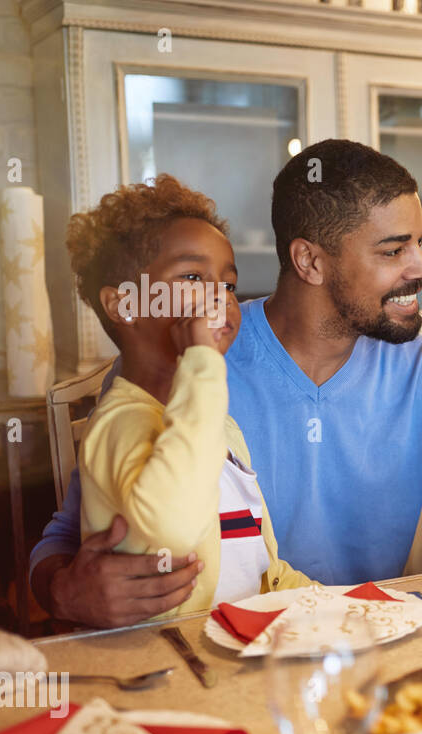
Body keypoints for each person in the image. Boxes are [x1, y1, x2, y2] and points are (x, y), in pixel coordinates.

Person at [31, 140, 422, 629]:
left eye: (419, 243)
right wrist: (64, 590)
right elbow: (65, 536)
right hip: (215, 657)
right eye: (392, 250)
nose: (421, 267)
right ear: (309, 260)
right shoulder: (183, 364)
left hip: (372, 645)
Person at [67, 176, 312, 617]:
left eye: (230, 284)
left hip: (243, 651)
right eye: (194, 277)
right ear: (124, 305)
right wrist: (202, 362)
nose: (220, 296)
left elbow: (262, 564)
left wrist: (334, 602)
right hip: (172, 661)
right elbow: (173, 531)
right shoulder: (118, 422)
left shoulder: (220, 426)